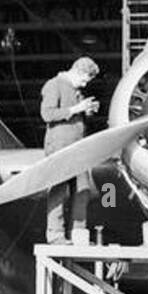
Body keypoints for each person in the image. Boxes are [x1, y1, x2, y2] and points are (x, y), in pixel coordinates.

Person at [40, 56, 101, 244]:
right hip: (60, 147)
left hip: (78, 148)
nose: (84, 84)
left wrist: (87, 110)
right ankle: (55, 235)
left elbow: (73, 114)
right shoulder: (53, 85)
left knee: (83, 190)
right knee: (58, 189)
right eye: (84, 79)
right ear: (78, 72)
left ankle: (79, 234)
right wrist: (76, 109)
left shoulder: (76, 90)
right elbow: (47, 114)